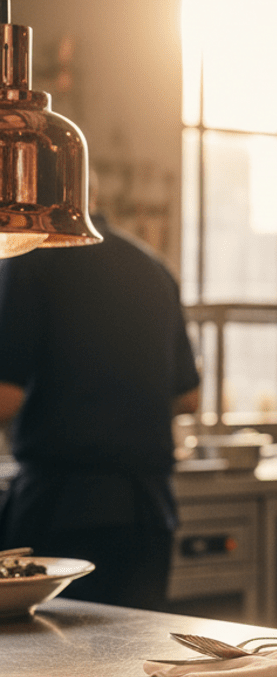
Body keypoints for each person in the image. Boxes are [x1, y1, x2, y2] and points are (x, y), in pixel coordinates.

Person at [0, 173, 200, 608]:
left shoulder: (31, 255)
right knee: (133, 657)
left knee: (47, 668)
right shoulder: (152, 266)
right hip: (149, 512)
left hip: (64, 511)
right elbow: (189, 398)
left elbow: (5, 397)